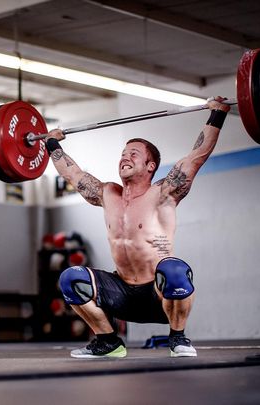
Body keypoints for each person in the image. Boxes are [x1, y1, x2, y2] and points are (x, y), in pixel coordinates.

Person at [46, 97, 230, 358]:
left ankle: (177, 338)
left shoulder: (163, 193)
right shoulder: (108, 193)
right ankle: (108, 341)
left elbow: (196, 157)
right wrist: (51, 144)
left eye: (134, 154)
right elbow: (73, 175)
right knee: (70, 278)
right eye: (123, 154)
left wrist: (217, 115)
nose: (125, 157)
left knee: (174, 268)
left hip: (159, 295)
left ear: (150, 165)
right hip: (120, 294)